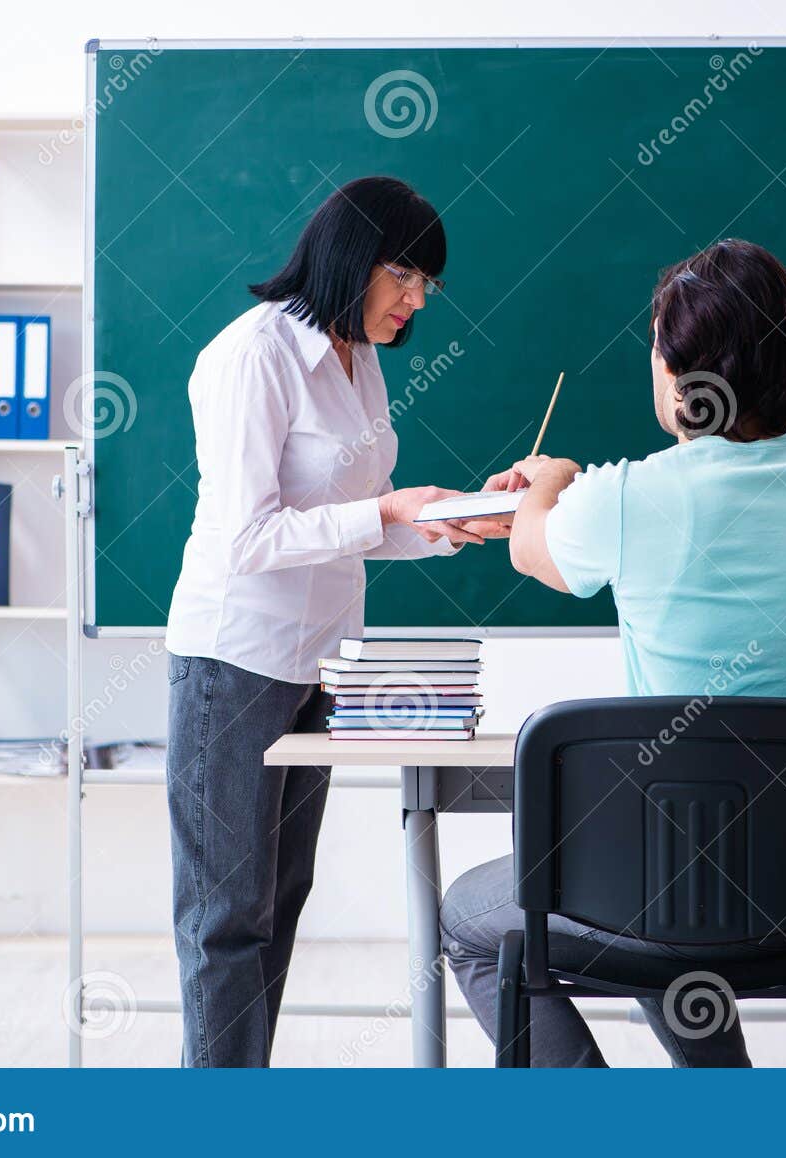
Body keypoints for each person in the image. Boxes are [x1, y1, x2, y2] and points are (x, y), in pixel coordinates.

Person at [438, 238, 786, 1067]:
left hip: (677, 886)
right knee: (667, 875)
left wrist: (554, 476)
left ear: (679, 375)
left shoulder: (630, 497)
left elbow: (530, 548)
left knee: (482, 921)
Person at [163, 176, 502, 1067]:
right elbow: (248, 539)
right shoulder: (255, 357)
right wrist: (389, 512)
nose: (416, 300)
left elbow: (347, 530)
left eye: (427, 283)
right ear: (351, 257)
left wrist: (442, 525)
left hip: (318, 663)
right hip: (233, 658)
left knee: (278, 900)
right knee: (225, 918)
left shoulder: (360, 357)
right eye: (405, 275)